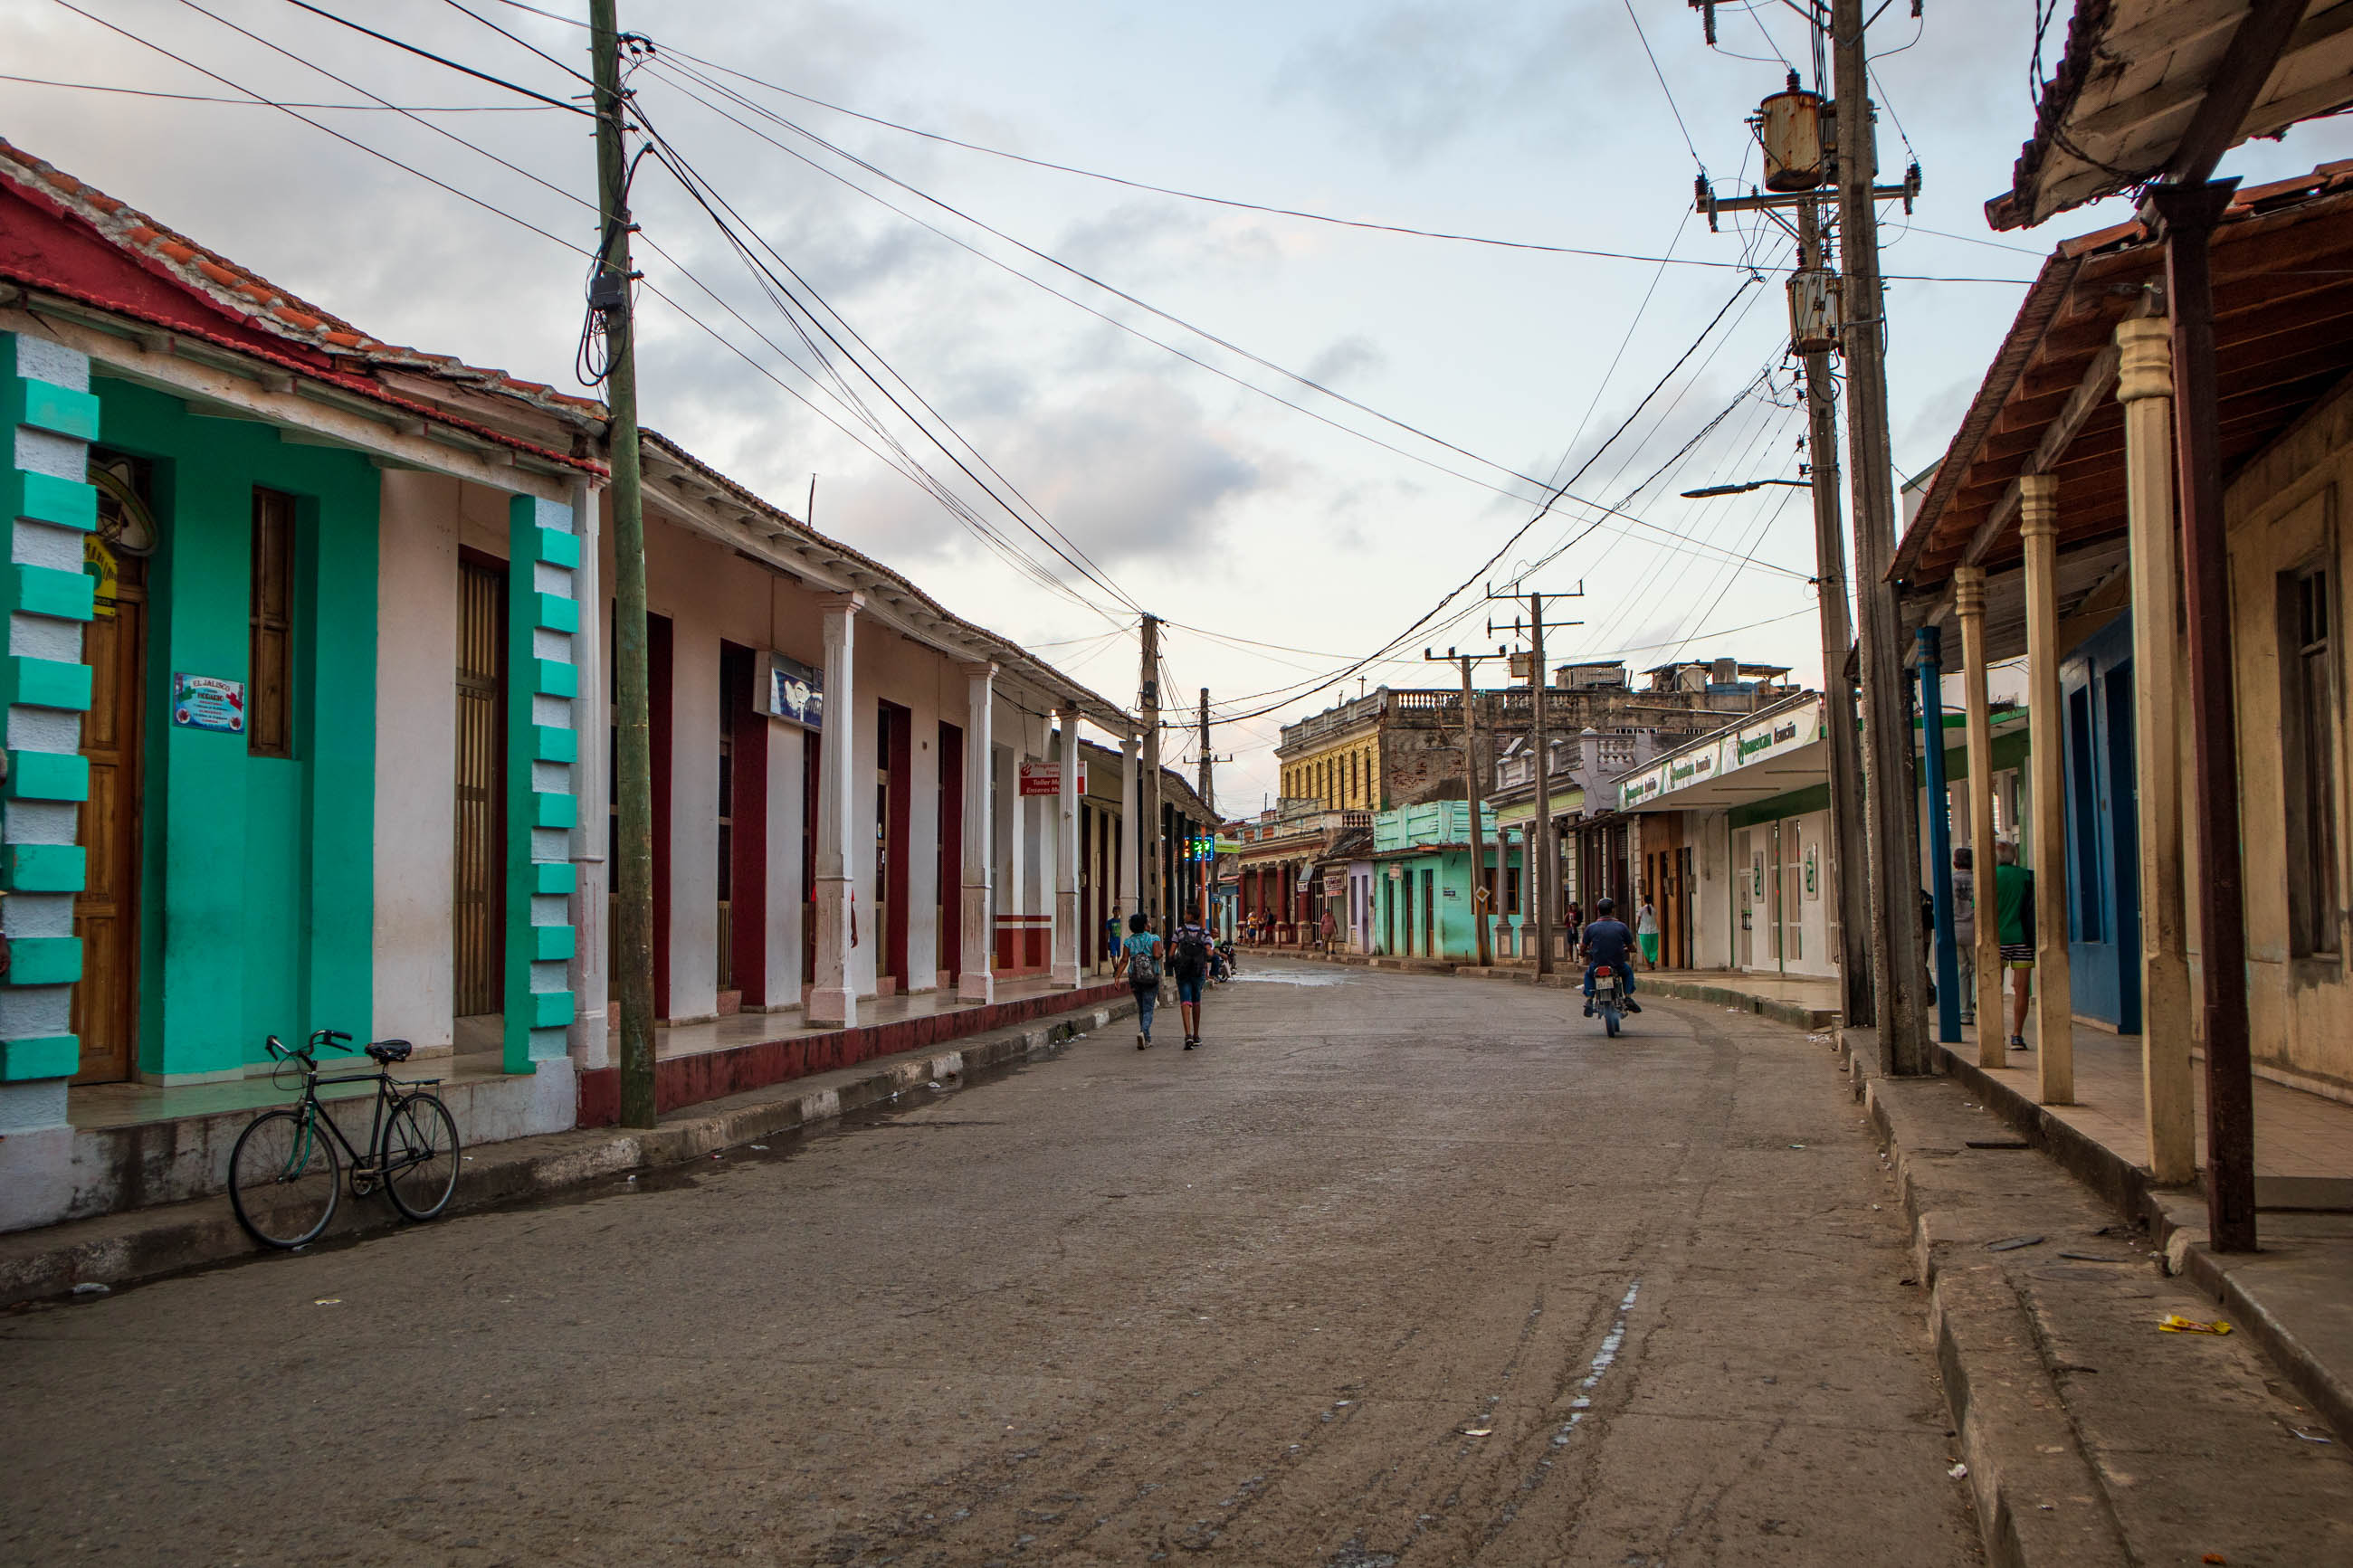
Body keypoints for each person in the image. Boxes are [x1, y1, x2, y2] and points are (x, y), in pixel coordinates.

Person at [1993, 840, 2034, 1051]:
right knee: (2021, 989)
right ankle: (2017, 1035)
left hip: (1996, 939)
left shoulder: (1991, 877)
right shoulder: (2025, 876)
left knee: (1992, 987)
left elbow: (1978, 910)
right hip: (2022, 938)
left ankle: (1993, 1033)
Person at [1580, 897, 1642, 1017]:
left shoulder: (1591, 928)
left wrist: (1582, 953)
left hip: (1597, 964)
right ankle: (1628, 997)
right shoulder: (1621, 926)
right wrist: (1632, 950)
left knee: (1588, 974)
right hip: (1617, 965)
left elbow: (1583, 947)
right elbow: (1631, 946)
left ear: (1598, 911)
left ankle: (1589, 999)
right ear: (1612, 910)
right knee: (1628, 972)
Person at [1116, 912, 1164, 1050]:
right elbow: (1156, 955)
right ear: (1144, 925)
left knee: (1142, 1008)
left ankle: (1146, 1037)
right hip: (1151, 977)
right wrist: (1161, 952)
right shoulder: (1154, 938)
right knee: (1149, 1008)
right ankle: (1144, 1033)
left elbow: (1124, 960)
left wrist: (1117, 976)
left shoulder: (1128, 941)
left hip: (1134, 977)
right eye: (1147, 921)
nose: (1149, 923)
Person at [1169, 917, 1215, 1049]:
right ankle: (1196, 1035)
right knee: (1196, 1001)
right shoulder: (1204, 933)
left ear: (1189, 915)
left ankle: (1187, 1034)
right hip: (1198, 971)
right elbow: (1209, 952)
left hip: (1183, 971)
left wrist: (1174, 963)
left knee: (1185, 1000)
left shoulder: (1179, 931)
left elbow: (1171, 952)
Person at [1951, 846, 1977, 1027]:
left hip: (1957, 929)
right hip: (1976, 930)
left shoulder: (1950, 881)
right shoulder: (1978, 880)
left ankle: (1965, 1012)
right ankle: (1978, 1001)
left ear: (1955, 863)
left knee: (1962, 971)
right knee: (1977, 969)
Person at [1635, 898, 1661, 968]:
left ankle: (1648, 965)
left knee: (1646, 949)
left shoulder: (1641, 909)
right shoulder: (1654, 910)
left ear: (1644, 901)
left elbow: (1638, 920)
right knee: (1653, 949)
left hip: (1644, 932)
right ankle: (1652, 963)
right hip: (1654, 931)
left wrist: (1637, 928)